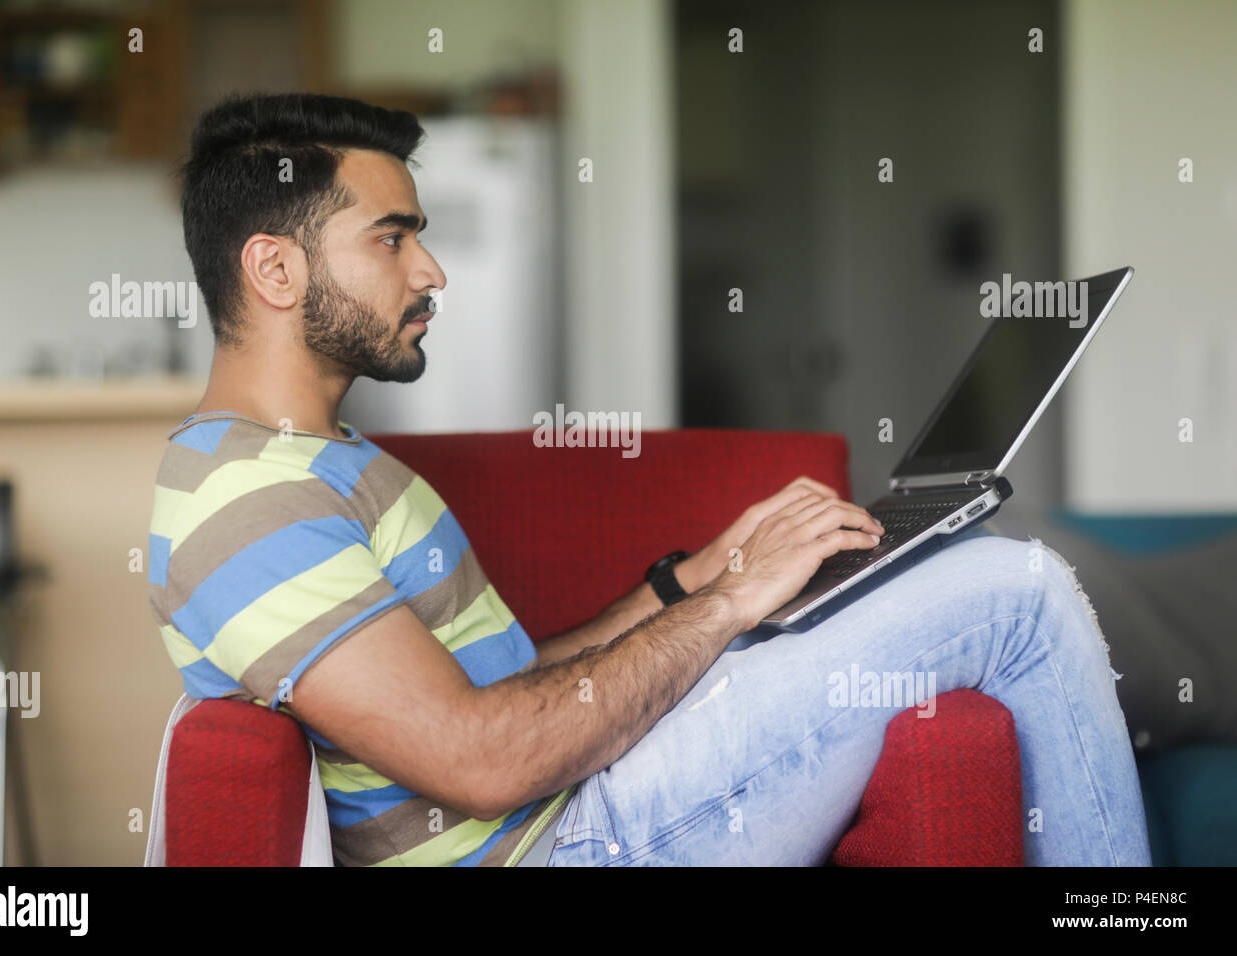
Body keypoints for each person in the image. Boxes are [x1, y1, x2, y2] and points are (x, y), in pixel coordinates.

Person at [147, 92, 1151, 867]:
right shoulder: (245, 502)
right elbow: (483, 760)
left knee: (943, 569)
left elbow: (500, 698)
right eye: (393, 237)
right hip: (560, 843)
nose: (432, 272)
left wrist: (690, 582)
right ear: (274, 271)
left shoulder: (327, 461)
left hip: (579, 805)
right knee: (1014, 592)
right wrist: (721, 611)